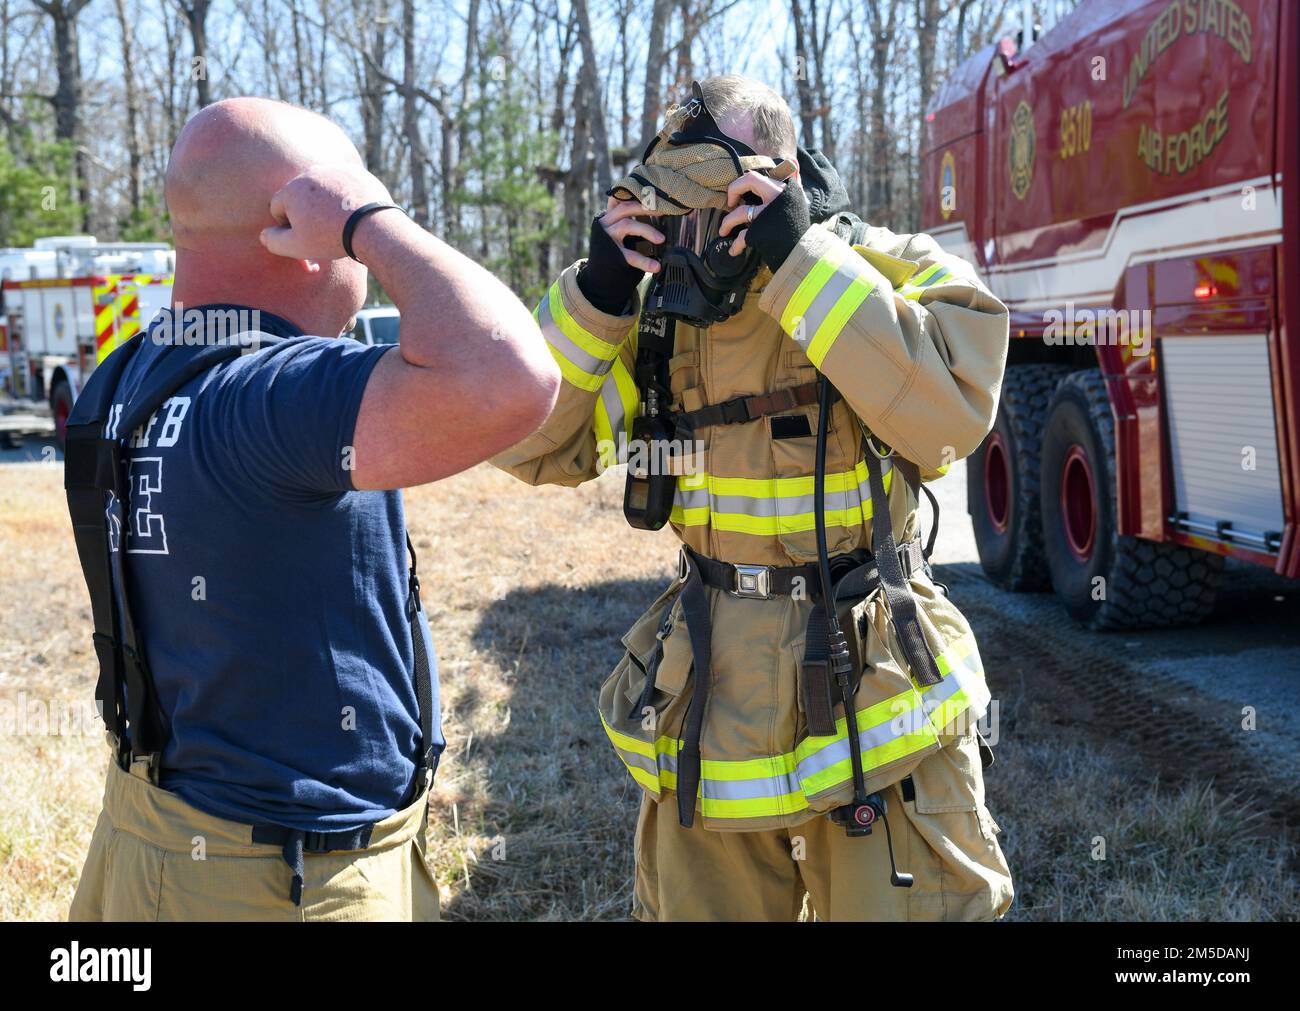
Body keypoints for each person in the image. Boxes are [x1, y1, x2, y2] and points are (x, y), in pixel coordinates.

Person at [494, 75, 1014, 921]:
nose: (686, 232)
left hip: (876, 697)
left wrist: (800, 260)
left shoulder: (885, 269)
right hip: (711, 705)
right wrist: (594, 298)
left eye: (706, 201)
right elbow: (526, 443)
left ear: (774, 176)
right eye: (671, 207)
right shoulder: (657, 322)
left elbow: (950, 418)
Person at [66, 96, 559, 921]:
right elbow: (517, 378)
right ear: (297, 225)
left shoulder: (124, 376)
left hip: (147, 838)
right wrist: (371, 219)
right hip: (280, 878)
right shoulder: (275, 392)